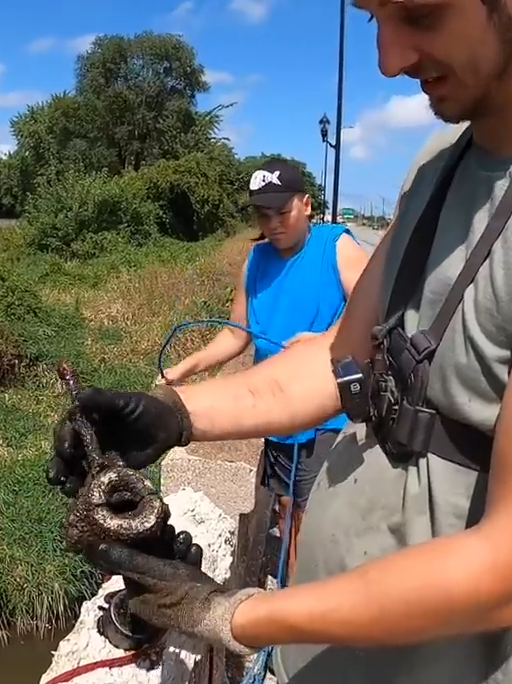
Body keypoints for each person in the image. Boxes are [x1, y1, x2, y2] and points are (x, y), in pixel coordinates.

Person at [47, 0, 512, 684]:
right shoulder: (440, 165)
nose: (390, 59)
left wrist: (229, 614)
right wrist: (173, 414)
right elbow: (341, 362)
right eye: (376, 19)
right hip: (318, 672)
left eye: (419, 13)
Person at [157, 157, 369, 579]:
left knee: (313, 513)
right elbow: (236, 334)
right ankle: (291, 583)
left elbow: (372, 300)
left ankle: (306, 595)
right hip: (275, 412)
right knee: (285, 506)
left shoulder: (335, 245)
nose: (273, 224)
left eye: (282, 212)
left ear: (306, 204)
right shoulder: (255, 260)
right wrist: (186, 367)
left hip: (325, 412)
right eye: (263, 215)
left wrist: (328, 340)